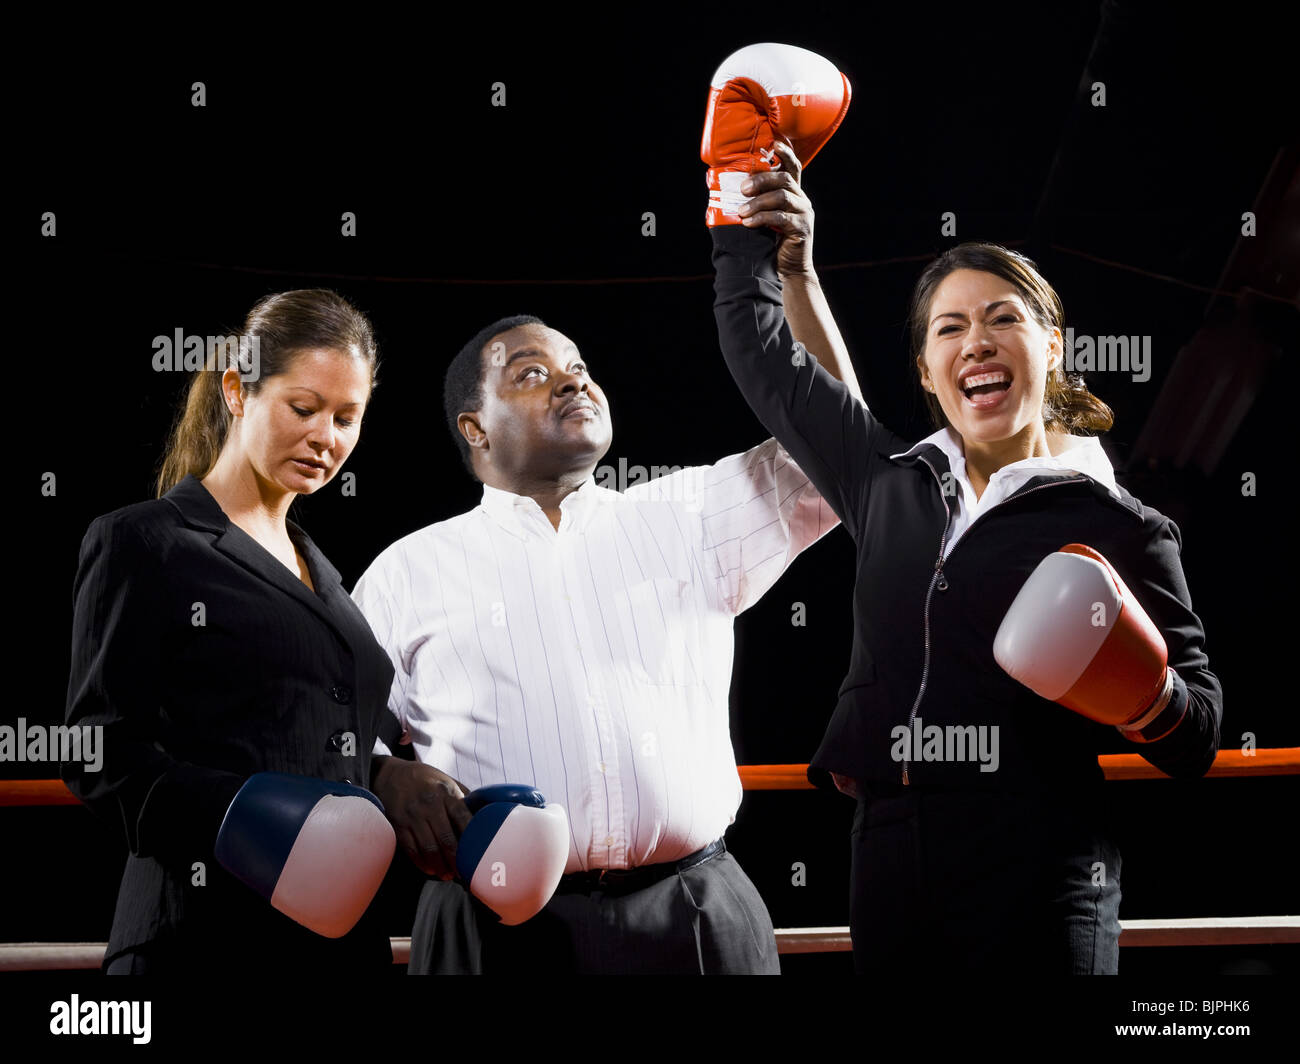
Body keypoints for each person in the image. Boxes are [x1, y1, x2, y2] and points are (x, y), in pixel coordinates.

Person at [705, 66, 1223, 973]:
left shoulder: (1121, 523)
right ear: (925, 371)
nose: (973, 341)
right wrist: (750, 224)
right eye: (948, 329)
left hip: (1041, 852)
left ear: (1051, 345)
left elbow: (1200, 734)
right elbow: (766, 354)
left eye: (1000, 319)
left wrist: (1144, 694)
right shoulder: (889, 482)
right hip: (887, 848)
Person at [352, 161, 860, 974]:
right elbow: (322, 732)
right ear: (474, 429)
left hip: (699, 912)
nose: (572, 379)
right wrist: (381, 772)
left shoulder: (686, 514)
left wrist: (794, 276)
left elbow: (831, 450)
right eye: (532, 372)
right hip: (492, 931)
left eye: (578, 365)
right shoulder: (405, 572)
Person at [62, 289, 399, 974]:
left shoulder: (323, 571)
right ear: (238, 392)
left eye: (346, 417)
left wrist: (394, 779)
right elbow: (97, 752)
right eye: (303, 409)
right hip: (201, 941)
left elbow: (305, 732)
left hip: (338, 946)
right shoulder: (144, 541)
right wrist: (252, 820)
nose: (325, 437)